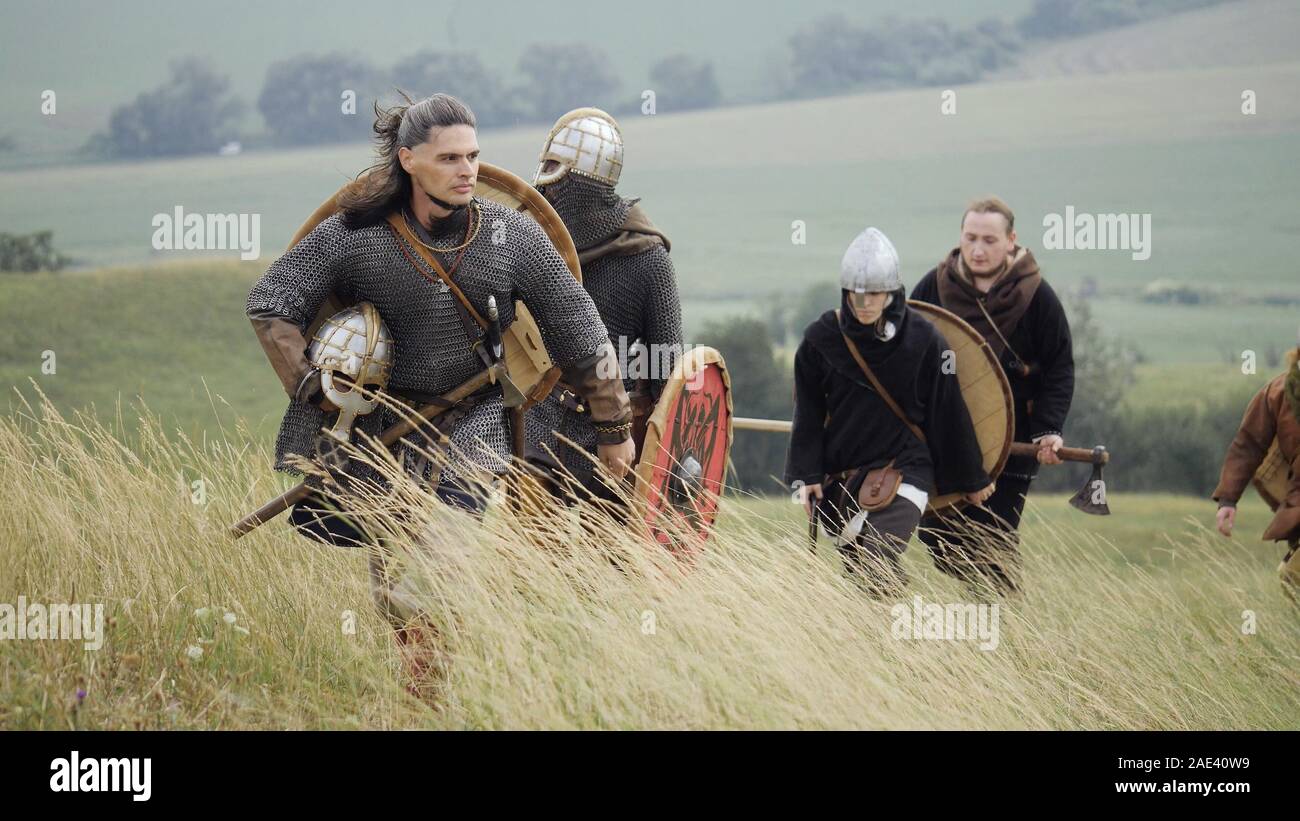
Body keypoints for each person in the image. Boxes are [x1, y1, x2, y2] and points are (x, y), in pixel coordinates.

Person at [245, 92, 635, 614]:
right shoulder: (355, 234)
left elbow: (581, 332)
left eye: (472, 156)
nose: (467, 170)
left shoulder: (509, 234)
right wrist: (312, 385)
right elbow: (271, 304)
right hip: (385, 426)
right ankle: (419, 685)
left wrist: (614, 427)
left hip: (475, 418)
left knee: (438, 565)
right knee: (390, 585)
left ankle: (442, 649)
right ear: (409, 159)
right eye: (449, 158)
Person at [785, 227, 995, 596]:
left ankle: (899, 632)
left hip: (906, 468)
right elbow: (808, 411)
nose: (865, 303)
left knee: (877, 558)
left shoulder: (925, 341)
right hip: (845, 474)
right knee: (862, 578)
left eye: (875, 294)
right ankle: (892, 639)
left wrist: (972, 477)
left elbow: (948, 413)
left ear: (892, 292)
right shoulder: (821, 340)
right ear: (846, 291)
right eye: (857, 293)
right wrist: (806, 473)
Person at [910, 196, 1074, 594]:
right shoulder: (935, 285)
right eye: (970, 238)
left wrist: (1049, 429)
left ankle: (996, 614)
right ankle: (992, 596)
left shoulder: (1037, 295)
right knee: (936, 533)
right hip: (944, 438)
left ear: (1011, 240)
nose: (978, 249)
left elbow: (1059, 366)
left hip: (1013, 437)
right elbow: (905, 352)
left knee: (993, 535)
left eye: (989, 239)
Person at [524, 108, 683, 512]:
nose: (548, 194)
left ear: (586, 186)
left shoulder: (646, 257)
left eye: (558, 180)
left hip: (616, 437)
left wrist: (665, 451)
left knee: (612, 565)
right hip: (540, 422)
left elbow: (665, 364)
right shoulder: (540, 248)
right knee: (528, 557)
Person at [1212, 342, 1300, 595]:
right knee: (1292, 580)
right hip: (1296, 498)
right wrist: (1228, 499)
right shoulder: (1279, 392)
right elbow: (1249, 444)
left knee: (1291, 574)